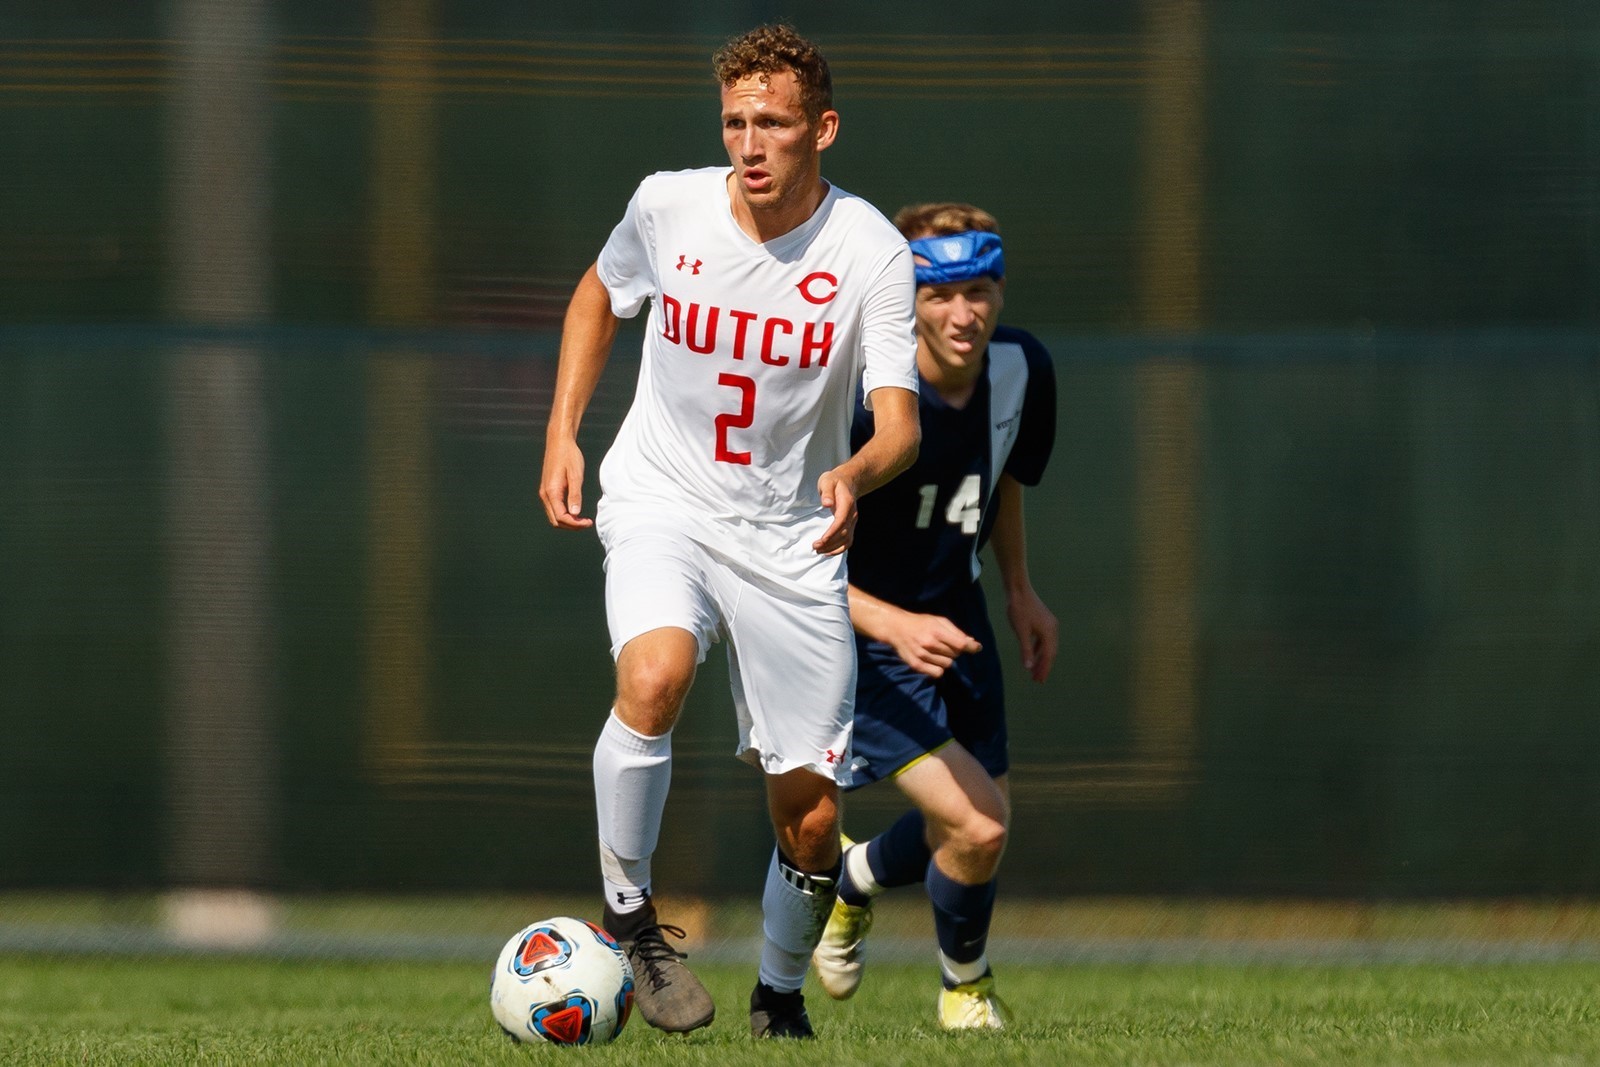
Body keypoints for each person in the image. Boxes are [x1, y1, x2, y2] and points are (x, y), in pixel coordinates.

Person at [537, 24, 920, 1040]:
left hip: (791, 536)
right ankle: (629, 919)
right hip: (661, 498)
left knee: (811, 814)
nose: (751, 144)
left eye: (775, 124)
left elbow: (901, 427)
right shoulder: (669, 203)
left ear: (822, 129)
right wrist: (563, 431)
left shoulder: (870, 250)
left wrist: (854, 469)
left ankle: (777, 994)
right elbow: (596, 293)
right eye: (736, 122)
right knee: (653, 676)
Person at [811, 203, 1057, 1030]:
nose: (964, 313)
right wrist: (891, 625)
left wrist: (1020, 589)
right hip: (860, 637)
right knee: (977, 822)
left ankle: (854, 880)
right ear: (906, 297)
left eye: (980, 290)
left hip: (961, 617)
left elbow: (1007, 477)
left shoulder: (1024, 368)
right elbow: (783, 555)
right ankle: (966, 990)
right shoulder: (854, 390)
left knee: (984, 827)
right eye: (940, 292)